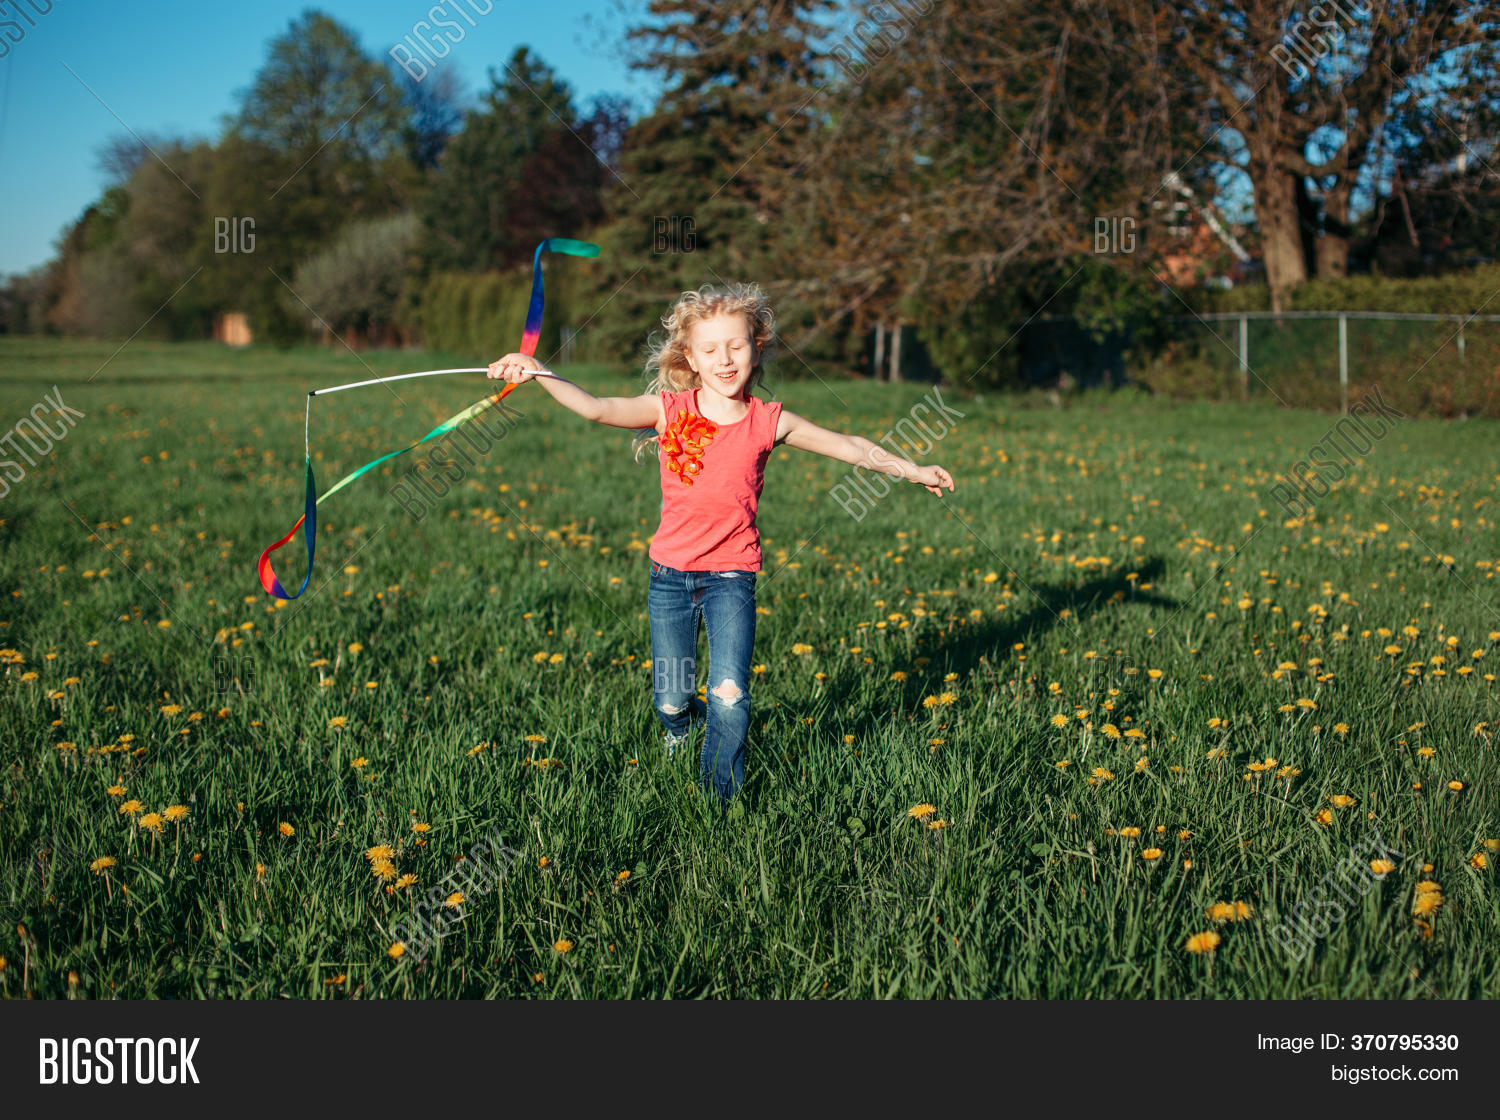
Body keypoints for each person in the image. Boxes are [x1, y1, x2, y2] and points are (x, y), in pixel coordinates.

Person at [487, 282, 954, 803]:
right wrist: (539, 371)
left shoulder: (768, 421)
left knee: (729, 694)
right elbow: (596, 408)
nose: (724, 359)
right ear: (690, 358)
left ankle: (719, 802)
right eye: (710, 349)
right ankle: (682, 730)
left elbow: (849, 446)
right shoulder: (669, 410)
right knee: (670, 699)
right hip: (670, 578)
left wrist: (912, 469)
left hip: (732, 577)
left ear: (757, 346)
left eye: (736, 345)